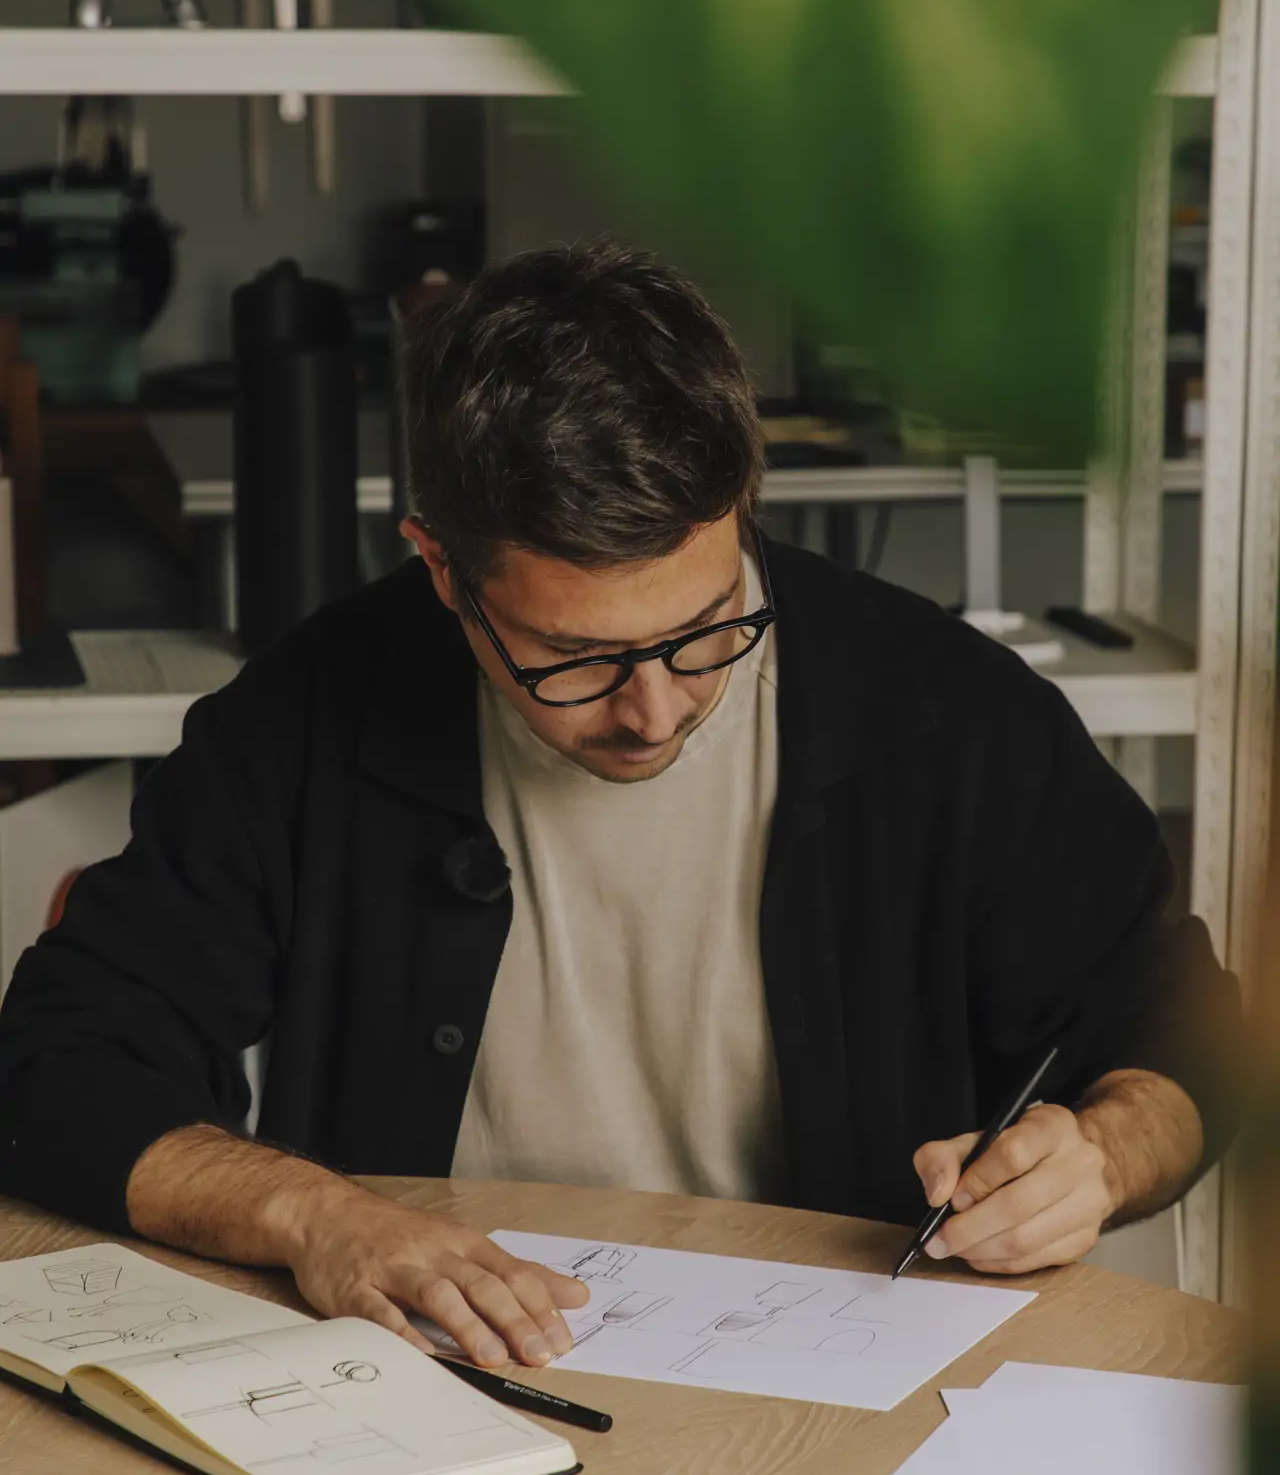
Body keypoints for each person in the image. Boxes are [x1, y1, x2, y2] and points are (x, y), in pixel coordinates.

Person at [0, 241, 1236, 1372]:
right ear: (440, 568)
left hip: (836, 1385)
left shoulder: (947, 713)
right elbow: (60, 1062)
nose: (653, 709)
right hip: (442, 1379)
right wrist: (314, 1215)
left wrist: (1100, 1151)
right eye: (574, 658)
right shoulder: (308, 717)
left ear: (741, 511)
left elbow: (1184, 1042)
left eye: (705, 634)